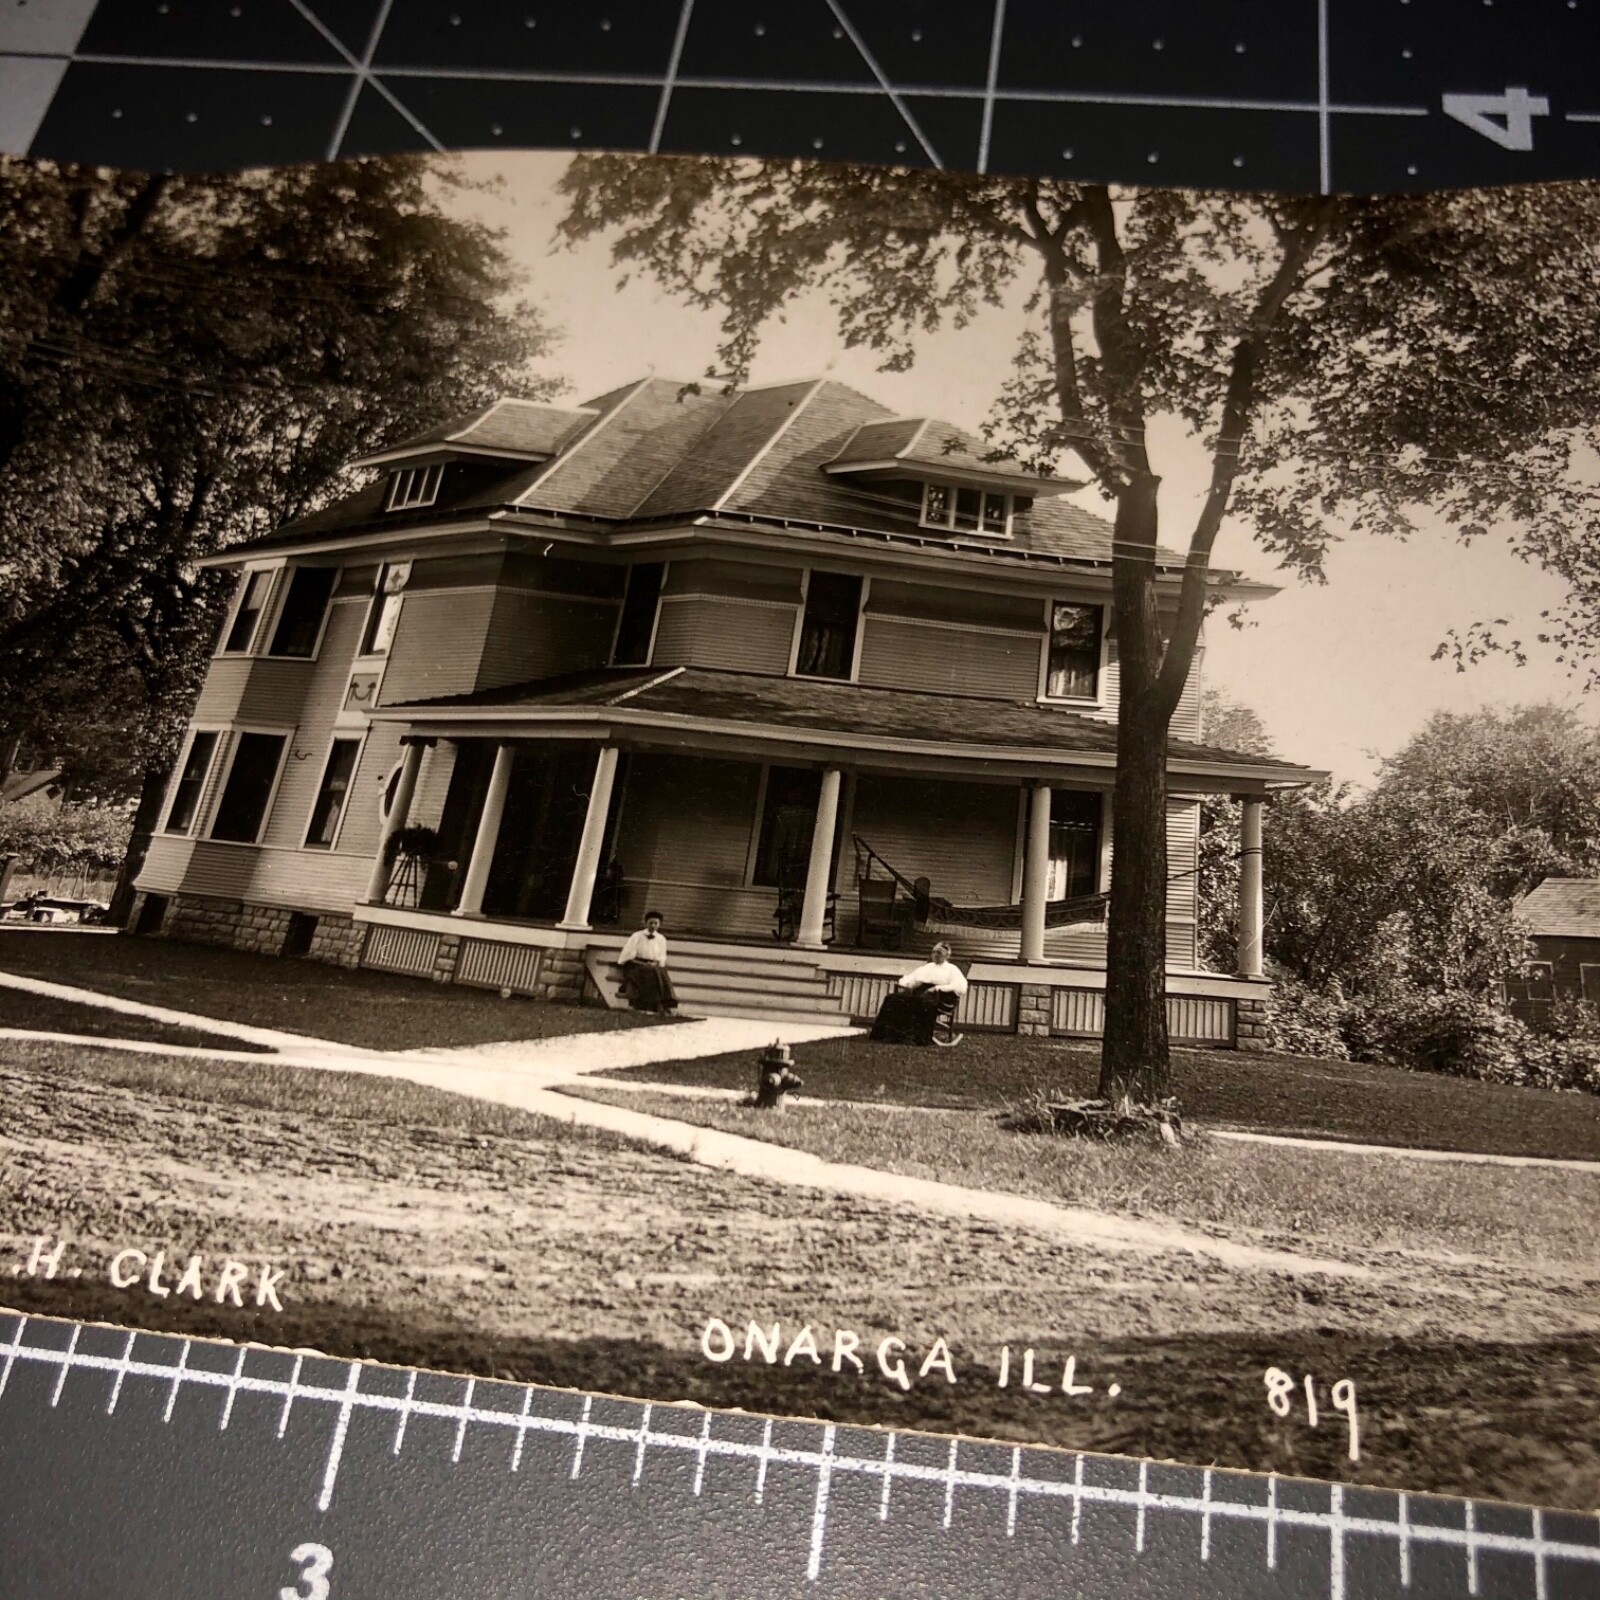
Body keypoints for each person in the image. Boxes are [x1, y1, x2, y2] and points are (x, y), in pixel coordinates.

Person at [869, 941, 968, 1045]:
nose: (935, 955)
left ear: (947, 955)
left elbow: (960, 986)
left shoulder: (952, 969)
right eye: (933, 952)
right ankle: (886, 1035)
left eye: (939, 952)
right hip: (920, 992)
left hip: (939, 996)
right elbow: (911, 978)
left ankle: (916, 1038)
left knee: (919, 1002)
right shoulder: (928, 967)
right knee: (891, 999)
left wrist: (937, 988)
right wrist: (909, 983)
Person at [617, 910, 678, 1013]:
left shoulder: (661, 939)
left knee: (661, 973)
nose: (653, 925)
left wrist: (656, 963)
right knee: (649, 971)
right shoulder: (637, 936)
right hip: (635, 964)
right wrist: (644, 963)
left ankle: (662, 1003)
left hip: (652, 965)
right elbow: (629, 955)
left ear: (659, 925)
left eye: (656, 923)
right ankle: (655, 1004)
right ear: (646, 923)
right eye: (651, 923)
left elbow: (662, 956)